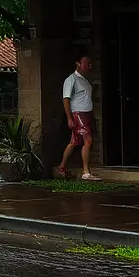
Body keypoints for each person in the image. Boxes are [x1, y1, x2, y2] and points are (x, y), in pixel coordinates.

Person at [55, 52, 98, 181]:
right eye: (86, 63)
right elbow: (66, 99)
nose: (89, 66)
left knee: (74, 142)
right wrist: (69, 117)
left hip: (87, 113)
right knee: (88, 140)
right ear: (78, 64)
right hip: (79, 113)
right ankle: (85, 171)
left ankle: (61, 167)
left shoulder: (85, 81)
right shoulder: (71, 80)